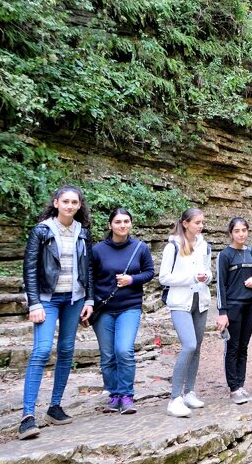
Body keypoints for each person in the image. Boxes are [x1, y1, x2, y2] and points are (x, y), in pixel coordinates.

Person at [19, 185, 94, 440]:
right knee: (41, 351)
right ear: (55, 203)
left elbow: (88, 268)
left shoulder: (83, 233)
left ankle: (55, 406)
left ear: (79, 206)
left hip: (74, 298)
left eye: (75, 202)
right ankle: (28, 416)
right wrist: (34, 303)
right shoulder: (41, 231)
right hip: (47, 299)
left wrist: (90, 299)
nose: (70, 206)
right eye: (66, 202)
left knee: (66, 350)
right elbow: (29, 268)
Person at [90, 207, 155, 415]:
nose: (122, 225)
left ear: (131, 224)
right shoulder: (98, 249)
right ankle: (114, 394)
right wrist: (88, 302)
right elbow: (89, 278)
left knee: (124, 350)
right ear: (110, 225)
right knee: (108, 355)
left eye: (126, 221)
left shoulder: (140, 248)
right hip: (104, 309)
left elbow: (150, 272)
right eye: (118, 222)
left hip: (130, 307)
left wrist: (132, 279)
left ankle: (127, 395)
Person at [159, 207, 212, 416]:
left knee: (197, 347)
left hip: (200, 300)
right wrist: (190, 278)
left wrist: (206, 277)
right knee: (188, 345)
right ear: (185, 223)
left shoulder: (204, 245)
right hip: (180, 302)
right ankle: (174, 399)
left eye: (202, 222)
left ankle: (189, 391)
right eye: (197, 222)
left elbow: (207, 270)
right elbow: (164, 278)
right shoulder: (172, 246)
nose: (201, 226)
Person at [216, 217, 252, 404]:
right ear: (230, 233)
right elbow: (220, 285)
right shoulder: (225, 255)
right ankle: (233, 388)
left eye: (244, 230)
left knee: (244, 346)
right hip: (233, 306)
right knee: (232, 347)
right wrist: (222, 312)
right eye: (237, 231)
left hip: (250, 306)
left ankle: (241, 386)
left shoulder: (251, 252)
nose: (241, 234)